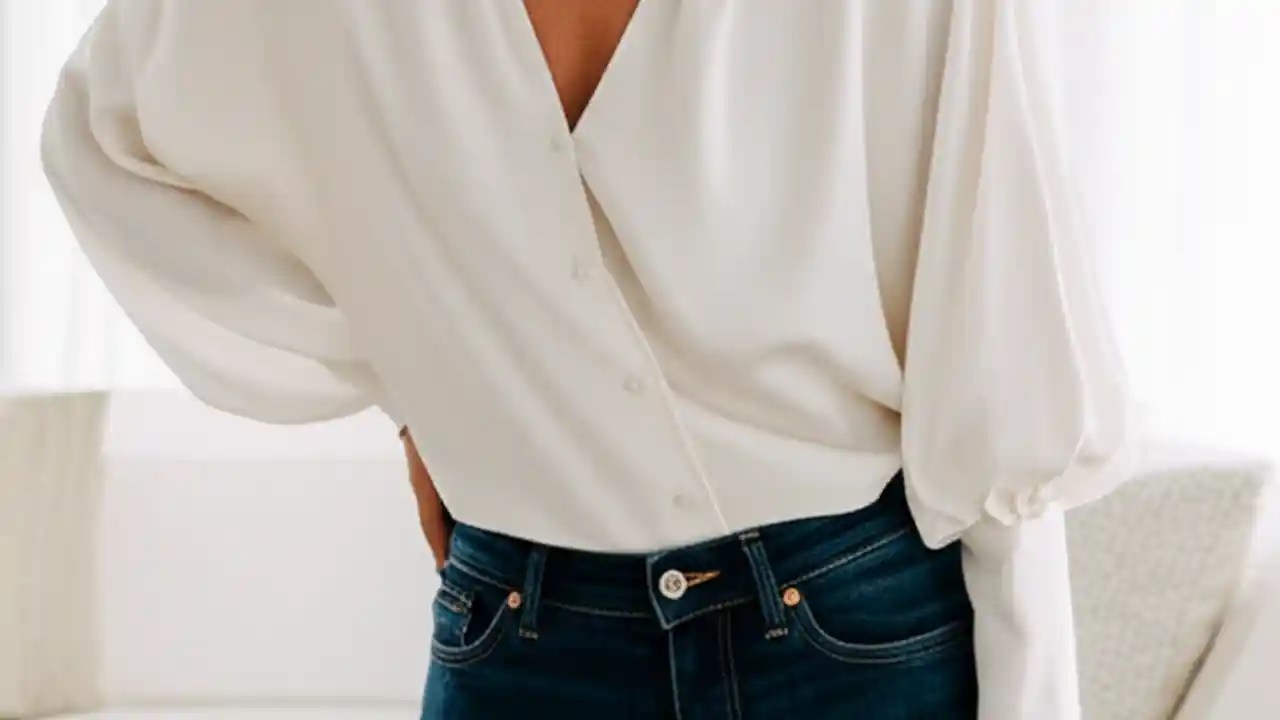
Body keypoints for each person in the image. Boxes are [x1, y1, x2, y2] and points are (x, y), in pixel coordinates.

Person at [42, 1, 1137, 717]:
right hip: (531, 639)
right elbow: (107, 143)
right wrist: (413, 374)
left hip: (849, 635)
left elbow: (1000, 392)